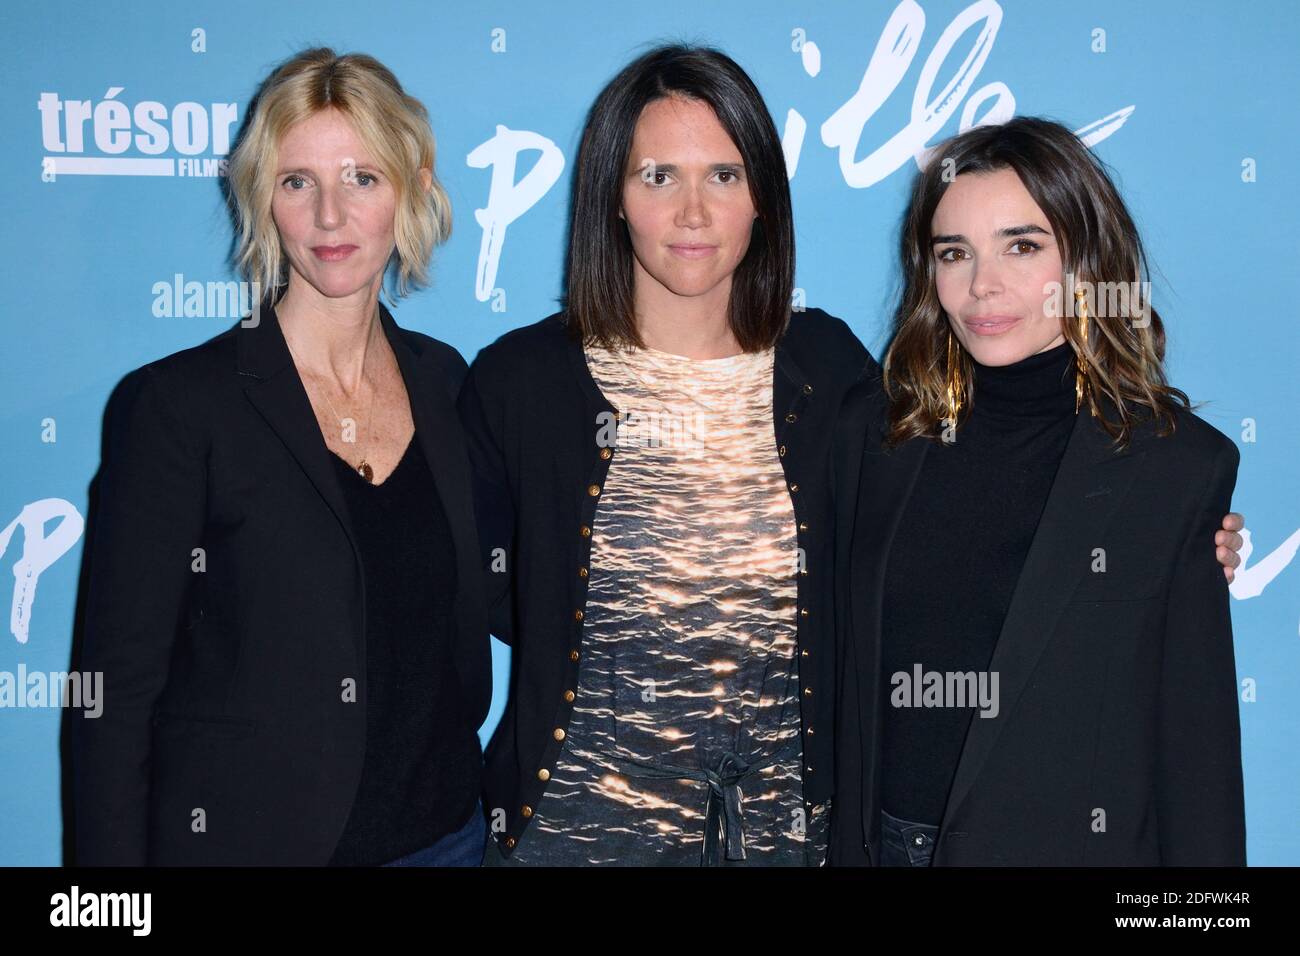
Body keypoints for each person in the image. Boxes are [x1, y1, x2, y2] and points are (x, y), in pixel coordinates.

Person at [73, 48, 489, 866]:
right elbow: (111, 698)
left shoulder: (445, 382)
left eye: (362, 178)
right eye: (299, 182)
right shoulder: (179, 406)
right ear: (263, 199)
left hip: (447, 842)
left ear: (413, 185)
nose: (330, 216)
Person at [829, 117, 1247, 866]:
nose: (982, 285)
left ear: (1085, 259)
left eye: (1022, 246)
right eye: (954, 253)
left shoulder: (1177, 470)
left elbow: (1196, 756)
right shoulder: (877, 430)